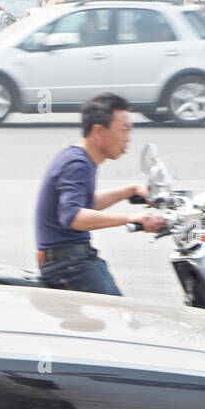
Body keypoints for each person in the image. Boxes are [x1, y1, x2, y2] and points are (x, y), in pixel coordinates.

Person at [34, 93, 165, 296]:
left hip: (68, 260)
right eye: (123, 130)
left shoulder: (77, 158)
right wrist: (132, 217)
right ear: (98, 131)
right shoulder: (77, 164)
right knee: (118, 317)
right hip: (69, 266)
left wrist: (129, 191)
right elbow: (74, 217)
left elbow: (86, 202)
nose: (127, 139)